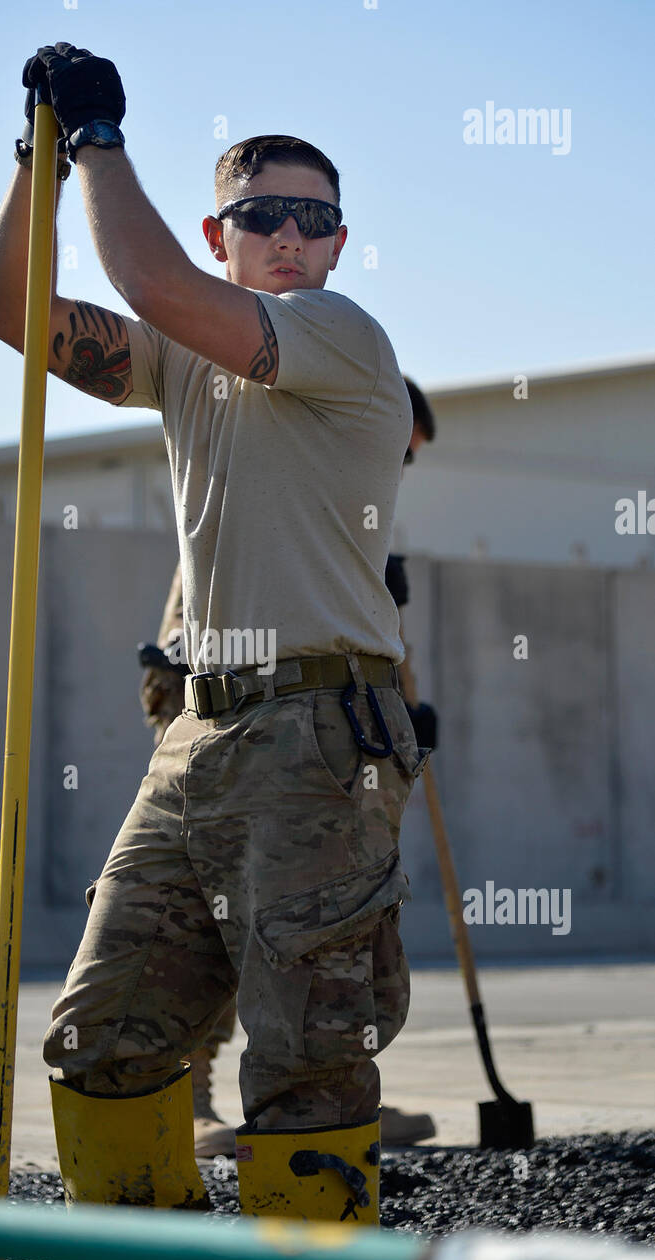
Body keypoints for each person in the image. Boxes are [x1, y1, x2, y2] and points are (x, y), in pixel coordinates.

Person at [0, 42, 428, 1225]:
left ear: (338, 244)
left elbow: (151, 281)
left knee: (302, 1067)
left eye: (315, 220)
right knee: (103, 1039)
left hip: (316, 741)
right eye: (263, 214)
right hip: (196, 736)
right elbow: (14, 313)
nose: (292, 236)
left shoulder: (341, 335)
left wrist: (98, 138)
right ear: (220, 227)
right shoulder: (183, 357)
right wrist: (38, 159)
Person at [140, 380, 439, 1157]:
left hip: (326, 744)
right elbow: (188, 647)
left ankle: (321, 1086)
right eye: (400, 454)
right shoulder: (258, 508)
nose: (399, 470)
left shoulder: (350, 516)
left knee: (326, 929)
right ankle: (196, 1098)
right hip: (225, 736)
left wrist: (404, 711)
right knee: (225, 927)